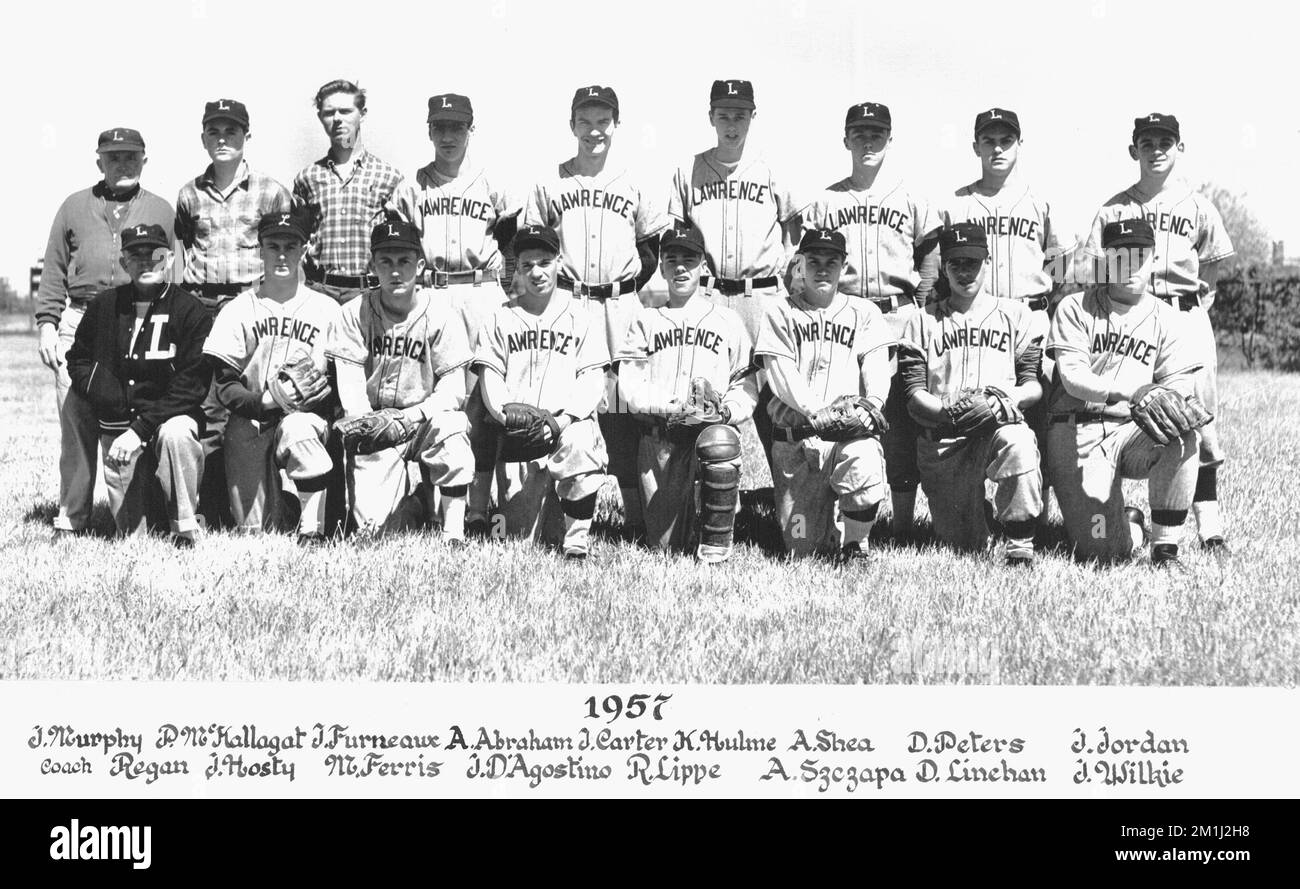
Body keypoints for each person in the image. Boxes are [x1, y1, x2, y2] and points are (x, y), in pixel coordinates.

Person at [1078, 113, 1234, 552]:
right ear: (1134, 151)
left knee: (1196, 417)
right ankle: (1119, 515)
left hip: (1182, 314)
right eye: (1147, 142)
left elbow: (1215, 261)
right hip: (1131, 318)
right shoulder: (1114, 209)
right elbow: (1095, 268)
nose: (1157, 149)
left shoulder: (1199, 206)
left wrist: (1201, 298)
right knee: (1129, 412)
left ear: (1179, 147)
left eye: (1166, 140)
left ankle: (1209, 526)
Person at [524, 85, 667, 540]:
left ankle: (634, 513)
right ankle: (554, 512)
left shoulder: (634, 181)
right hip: (568, 300)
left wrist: (622, 289)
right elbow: (532, 247)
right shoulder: (552, 182)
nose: (594, 130)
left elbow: (652, 248)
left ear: (616, 125)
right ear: (571, 126)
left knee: (623, 409)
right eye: (584, 121)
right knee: (563, 399)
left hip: (619, 304)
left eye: (603, 121)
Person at [800, 100, 940, 539]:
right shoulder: (826, 200)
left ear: (890, 140)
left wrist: (916, 303)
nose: (867, 141)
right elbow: (803, 260)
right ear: (845, 140)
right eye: (859, 133)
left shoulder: (912, 197)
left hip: (895, 310)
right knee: (842, 411)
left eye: (876, 133)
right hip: (843, 314)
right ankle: (843, 516)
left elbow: (930, 257)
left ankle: (897, 522)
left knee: (894, 419)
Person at [388, 92, 520, 534]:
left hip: (480, 291)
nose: (448, 136)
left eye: (457, 127)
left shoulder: (491, 183)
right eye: (440, 127)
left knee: (485, 401)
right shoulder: (411, 188)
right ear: (428, 131)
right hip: (432, 291)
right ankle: (436, 501)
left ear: (470, 129)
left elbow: (511, 240)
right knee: (436, 396)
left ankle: (481, 506)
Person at [36, 127, 175, 537]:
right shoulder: (74, 206)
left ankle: (133, 518)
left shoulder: (162, 210)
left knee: (126, 417)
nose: (123, 164)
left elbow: (174, 270)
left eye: (131, 156)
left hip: (137, 317)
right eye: (114, 157)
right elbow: (54, 270)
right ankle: (71, 518)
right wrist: (47, 323)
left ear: (144, 161)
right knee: (76, 418)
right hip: (81, 318)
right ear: (99, 161)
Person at [1047, 219, 1201, 566]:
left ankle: (1165, 548)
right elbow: (1073, 378)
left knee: (1182, 433)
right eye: (1120, 255)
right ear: (1104, 259)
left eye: (1139, 255)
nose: (1129, 264)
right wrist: (1135, 391)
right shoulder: (1075, 307)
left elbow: (1177, 386)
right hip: (1077, 430)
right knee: (1103, 551)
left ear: (1153, 258)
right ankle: (1130, 526)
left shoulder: (1169, 319)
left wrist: (1172, 399)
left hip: (1132, 431)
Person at [669, 79, 801, 471]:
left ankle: (786, 493)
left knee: (773, 397)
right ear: (710, 116)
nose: (732, 123)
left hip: (761, 296)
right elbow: (678, 236)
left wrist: (786, 284)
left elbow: (794, 231)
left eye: (740, 115)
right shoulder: (688, 170)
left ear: (753, 117)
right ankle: (716, 495)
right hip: (708, 293)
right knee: (706, 394)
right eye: (724, 115)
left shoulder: (773, 167)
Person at [175, 98, 292, 528]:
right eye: (214, 132)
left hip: (249, 307)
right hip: (203, 304)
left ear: (247, 136)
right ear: (204, 137)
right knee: (208, 409)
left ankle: (263, 504)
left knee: (251, 405)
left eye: (232, 132)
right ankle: (210, 507)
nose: (223, 139)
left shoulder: (271, 191)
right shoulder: (189, 194)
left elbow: (285, 249)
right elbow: (183, 247)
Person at [897, 223, 1044, 564]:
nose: (964, 272)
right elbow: (913, 393)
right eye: (956, 264)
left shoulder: (1016, 315)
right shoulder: (921, 321)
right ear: (944, 268)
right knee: (965, 547)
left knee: (1018, 441)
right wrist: (949, 412)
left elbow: (1033, 386)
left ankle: (1020, 545)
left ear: (988, 263)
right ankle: (982, 517)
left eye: (972, 263)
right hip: (945, 438)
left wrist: (1004, 400)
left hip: (998, 427)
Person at [615, 227, 757, 562]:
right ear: (661, 268)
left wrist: (726, 413)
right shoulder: (645, 321)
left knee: (719, 440)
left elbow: (746, 386)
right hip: (661, 440)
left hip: (706, 437)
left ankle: (716, 542)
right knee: (665, 549)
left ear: (703, 267)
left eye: (689, 260)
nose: (680, 268)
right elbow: (630, 386)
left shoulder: (728, 321)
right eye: (672, 260)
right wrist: (672, 406)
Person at [65, 223, 211, 545]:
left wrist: (142, 428)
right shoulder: (104, 305)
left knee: (177, 435)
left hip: (167, 417)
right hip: (120, 418)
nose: (146, 262)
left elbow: (192, 383)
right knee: (132, 537)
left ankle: (186, 529)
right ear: (123, 263)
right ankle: (150, 515)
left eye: (155, 254)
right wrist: (104, 391)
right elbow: (77, 358)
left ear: (169, 260)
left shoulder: (190, 309)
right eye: (136, 255)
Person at [327, 221, 474, 538]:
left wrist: (412, 416)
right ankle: (419, 502)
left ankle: (453, 533)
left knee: (454, 426)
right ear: (372, 265)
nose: (395, 271)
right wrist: (369, 423)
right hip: (375, 424)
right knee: (375, 532)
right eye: (386, 262)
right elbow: (350, 384)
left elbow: (454, 388)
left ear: (420, 265)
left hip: (424, 420)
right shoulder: (354, 313)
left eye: (404, 261)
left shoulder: (442, 314)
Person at [201, 211, 342, 540]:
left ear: (304, 251)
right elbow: (224, 385)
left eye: (291, 246)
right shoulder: (237, 308)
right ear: (259, 251)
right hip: (251, 419)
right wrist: (263, 401)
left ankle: (313, 530)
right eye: (273, 245)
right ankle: (288, 505)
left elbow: (342, 381)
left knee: (298, 428)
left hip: (307, 418)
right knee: (260, 531)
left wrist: (326, 397)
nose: (281, 254)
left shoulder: (327, 309)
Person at [473, 224, 610, 560]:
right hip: (521, 432)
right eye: (527, 264)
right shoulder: (498, 318)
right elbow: (490, 377)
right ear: (516, 269)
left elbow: (592, 380)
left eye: (544, 262)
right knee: (511, 539)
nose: (536, 272)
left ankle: (577, 540)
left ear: (558, 262)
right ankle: (491, 525)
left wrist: (560, 422)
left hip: (566, 425)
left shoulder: (582, 316)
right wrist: (505, 415)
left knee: (582, 441)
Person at [754, 229, 892, 560]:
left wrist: (871, 405)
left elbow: (876, 365)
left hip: (845, 436)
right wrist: (818, 413)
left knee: (866, 459)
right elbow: (780, 374)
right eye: (813, 262)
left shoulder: (864, 312)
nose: (822, 270)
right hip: (796, 443)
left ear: (844, 266)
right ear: (799, 266)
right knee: (801, 547)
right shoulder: (779, 312)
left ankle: (855, 544)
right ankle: (812, 523)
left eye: (832, 262)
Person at [293, 79, 404, 305]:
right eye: (329, 112)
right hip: (319, 292)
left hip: (370, 292)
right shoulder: (307, 178)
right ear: (320, 117)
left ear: (362, 114)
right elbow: (297, 238)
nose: (337, 119)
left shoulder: (389, 177)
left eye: (345, 111)